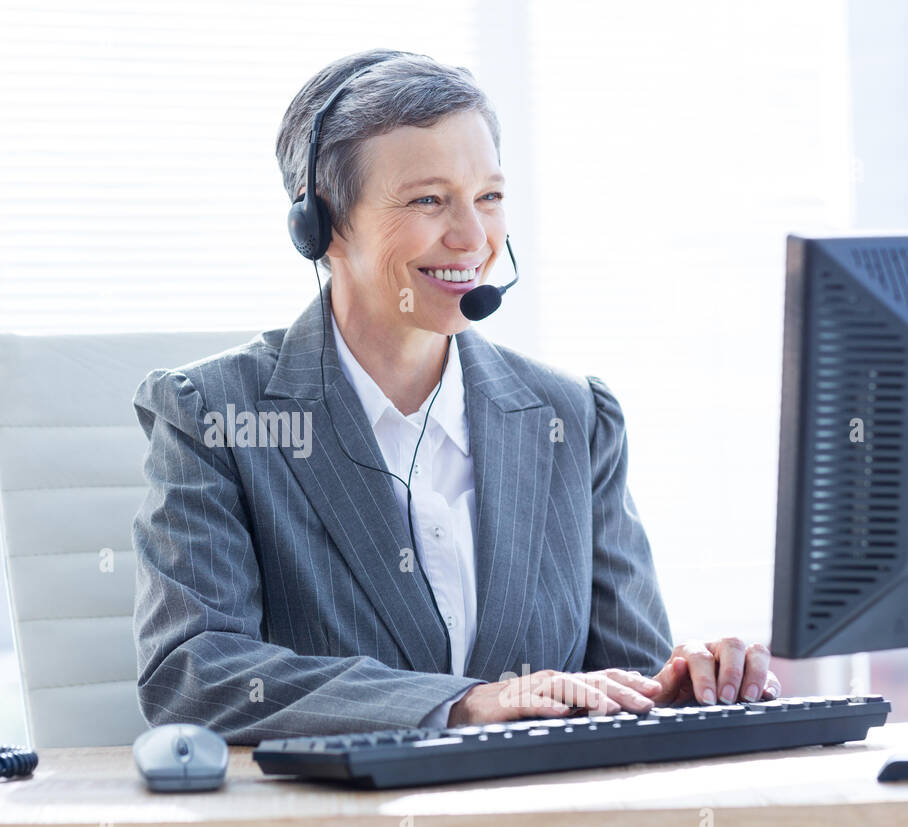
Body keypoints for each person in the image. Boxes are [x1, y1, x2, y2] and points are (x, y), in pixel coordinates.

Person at [131, 48, 781, 745]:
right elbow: (194, 674)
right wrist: (465, 703)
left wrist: (683, 689)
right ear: (320, 228)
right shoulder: (215, 416)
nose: (473, 238)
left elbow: (623, 674)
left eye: (489, 197)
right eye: (428, 200)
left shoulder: (573, 416)